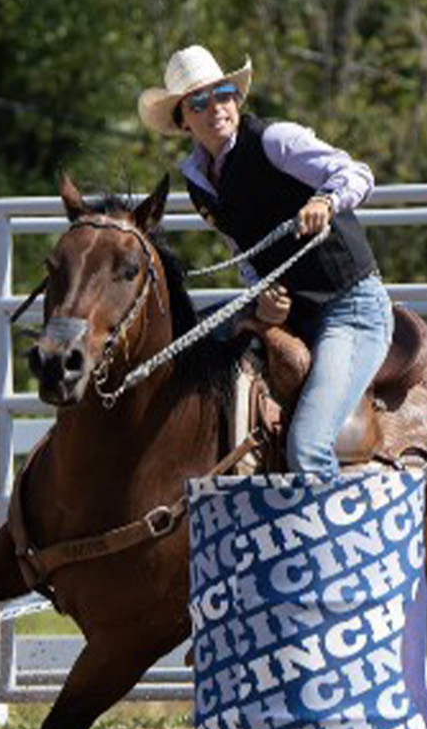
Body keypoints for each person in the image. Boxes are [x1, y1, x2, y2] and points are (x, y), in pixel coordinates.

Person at [137, 45, 392, 479]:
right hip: (297, 313)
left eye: (221, 94)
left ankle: (328, 542)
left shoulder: (275, 140)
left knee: (308, 449)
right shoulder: (199, 181)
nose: (214, 107)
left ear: (235, 100)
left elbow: (356, 174)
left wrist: (327, 200)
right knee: (179, 345)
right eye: (198, 102)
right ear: (183, 121)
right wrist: (263, 302)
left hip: (350, 308)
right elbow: (245, 252)